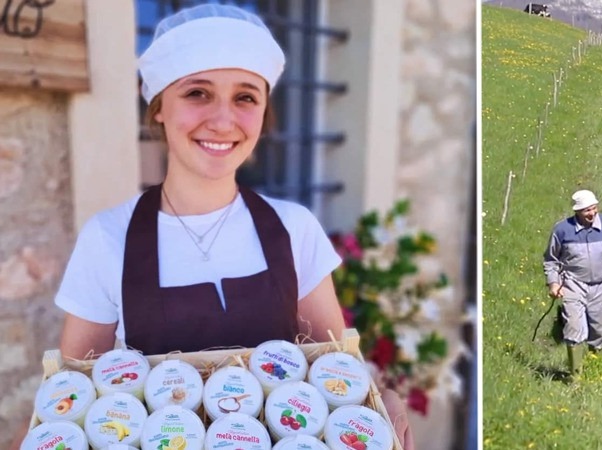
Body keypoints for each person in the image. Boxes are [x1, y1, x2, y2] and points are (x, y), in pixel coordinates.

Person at [9, 5, 412, 449]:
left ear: (263, 114)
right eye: (197, 93)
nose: (222, 120)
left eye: (245, 97)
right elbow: (75, 393)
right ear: (159, 107)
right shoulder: (108, 238)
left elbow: (336, 367)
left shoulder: (294, 228)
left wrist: (380, 396)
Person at [543, 189, 602, 378]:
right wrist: (553, 283)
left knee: (600, 330)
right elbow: (551, 260)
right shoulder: (562, 230)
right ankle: (576, 377)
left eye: (594, 209)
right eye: (587, 210)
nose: (592, 213)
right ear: (577, 211)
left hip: (601, 286)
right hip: (573, 285)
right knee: (574, 328)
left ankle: (596, 370)